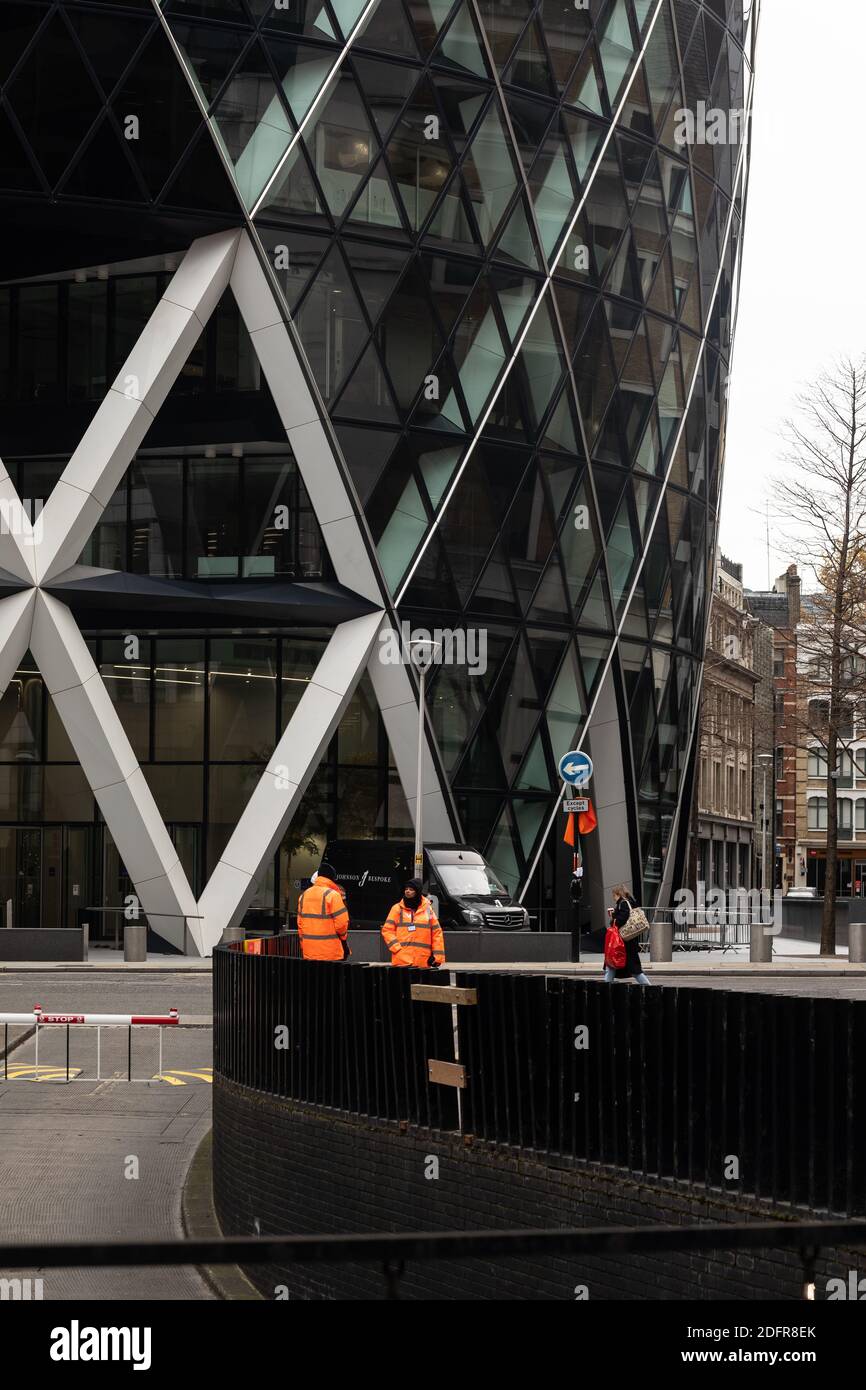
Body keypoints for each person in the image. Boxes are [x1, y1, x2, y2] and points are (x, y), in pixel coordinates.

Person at [382, 878, 445, 969]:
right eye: (406, 889)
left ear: (417, 892)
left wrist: (437, 957)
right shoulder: (397, 909)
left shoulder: (428, 909)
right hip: (402, 960)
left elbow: (436, 932)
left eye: (411, 889)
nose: (407, 891)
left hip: (423, 960)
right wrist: (396, 948)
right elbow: (387, 930)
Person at [296, 861, 350, 961]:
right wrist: (343, 937)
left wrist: (304, 945)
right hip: (330, 953)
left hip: (309, 952)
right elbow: (342, 924)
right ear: (331, 878)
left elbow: (300, 925)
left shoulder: (304, 896)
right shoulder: (333, 895)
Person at [603, 884, 651, 985]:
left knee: (614, 964)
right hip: (627, 941)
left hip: (623, 942)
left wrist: (613, 917)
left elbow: (621, 920)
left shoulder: (623, 903)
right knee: (614, 966)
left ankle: (649, 987)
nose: (613, 898)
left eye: (614, 895)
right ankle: (607, 986)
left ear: (618, 894)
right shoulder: (630, 902)